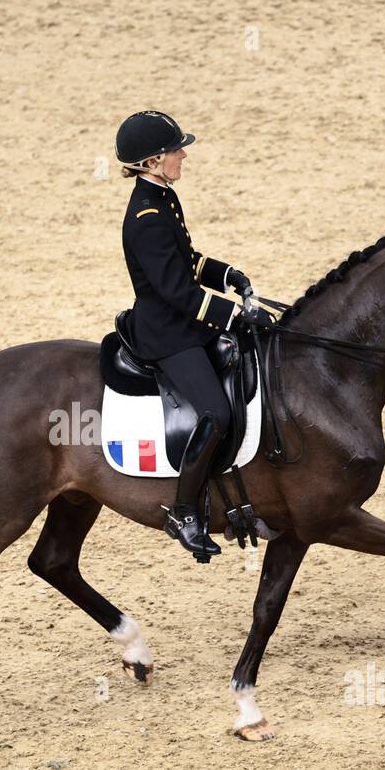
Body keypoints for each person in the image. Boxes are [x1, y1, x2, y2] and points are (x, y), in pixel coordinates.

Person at [115, 110, 273, 561]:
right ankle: (184, 512)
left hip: (184, 321)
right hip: (166, 333)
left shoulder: (162, 196)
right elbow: (177, 291)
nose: (183, 154)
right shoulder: (145, 215)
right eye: (174, 150)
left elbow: (185, 257)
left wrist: (228, 275)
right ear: (151, 162)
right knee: (217, 412)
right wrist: (234, 316)